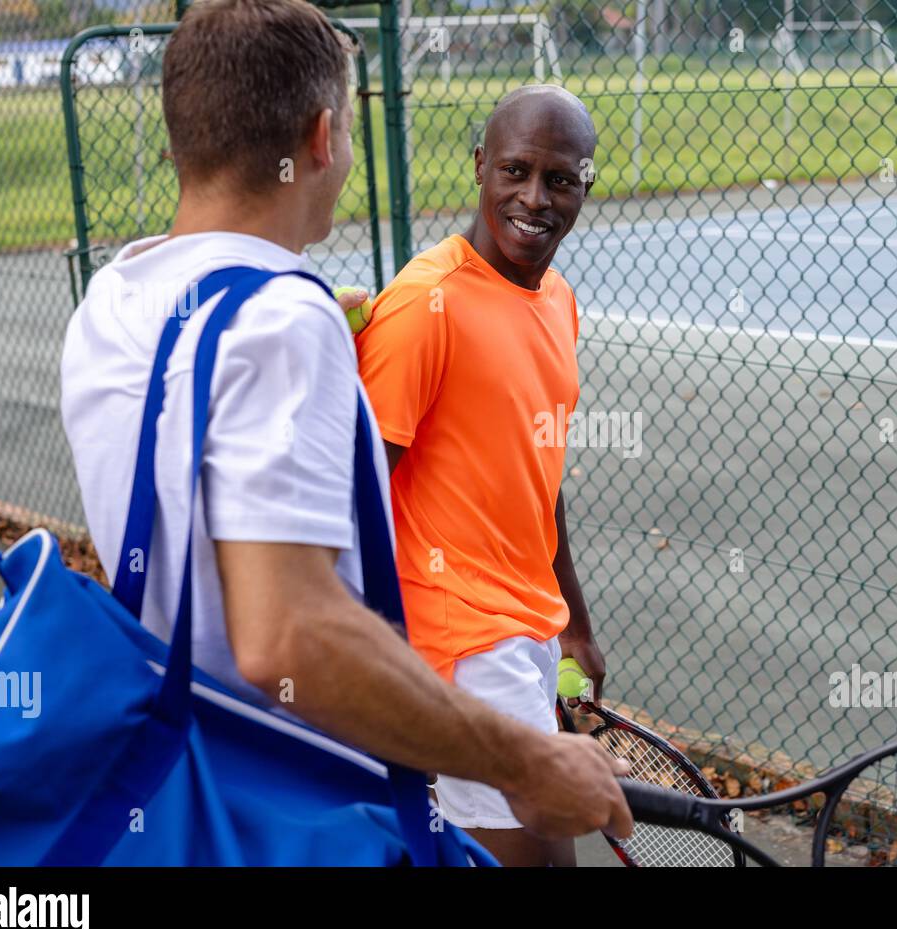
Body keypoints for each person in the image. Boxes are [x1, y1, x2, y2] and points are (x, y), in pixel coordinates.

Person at [59, 0, 630, 858]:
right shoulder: (282, 326)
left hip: (184, 760)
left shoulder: (117, 298)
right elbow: (288, 637)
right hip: (290, 781)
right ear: (323, 138)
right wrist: (527, 756)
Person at [351, 84, 605, 866]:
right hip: (462, 639)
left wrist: (573, 619)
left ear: (585, 186)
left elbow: (537, 467)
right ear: (479, 167)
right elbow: (358, 499)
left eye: (560, 179)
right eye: (516, 171)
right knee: (540, 858)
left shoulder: (555, 298)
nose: (535, 198)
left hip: (525, 626)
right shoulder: (422, 306)